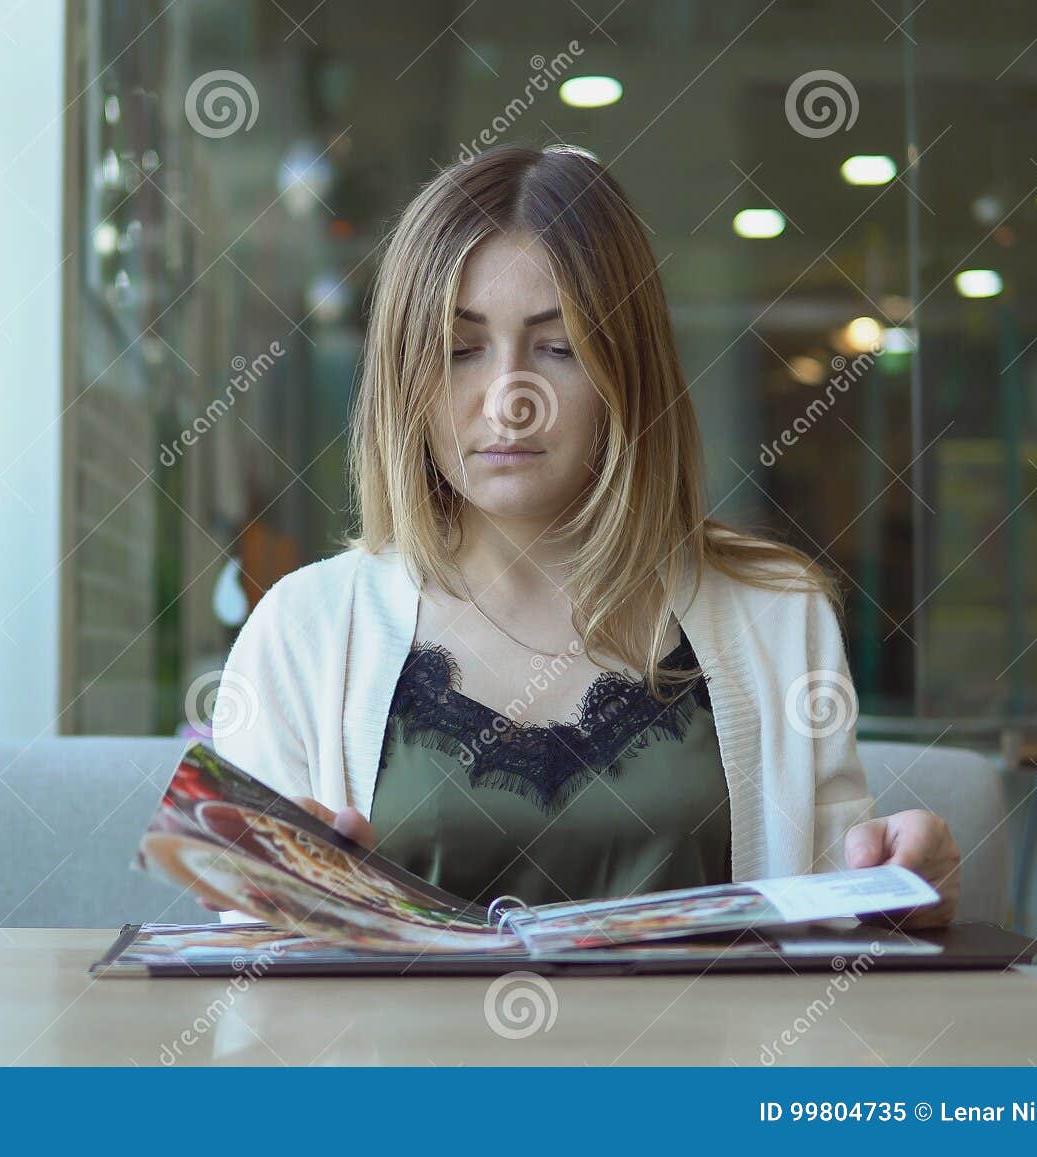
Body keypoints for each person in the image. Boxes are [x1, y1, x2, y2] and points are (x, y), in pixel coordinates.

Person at [212, 144, 959, 928]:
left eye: (559, 347)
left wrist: (909, 891)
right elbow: (251, 987)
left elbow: (843, 932)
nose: (510, 400)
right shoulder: (302, 631)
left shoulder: (777, 614)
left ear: (626, 372)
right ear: (406, 376)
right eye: (461, 349)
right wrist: (283, 910)